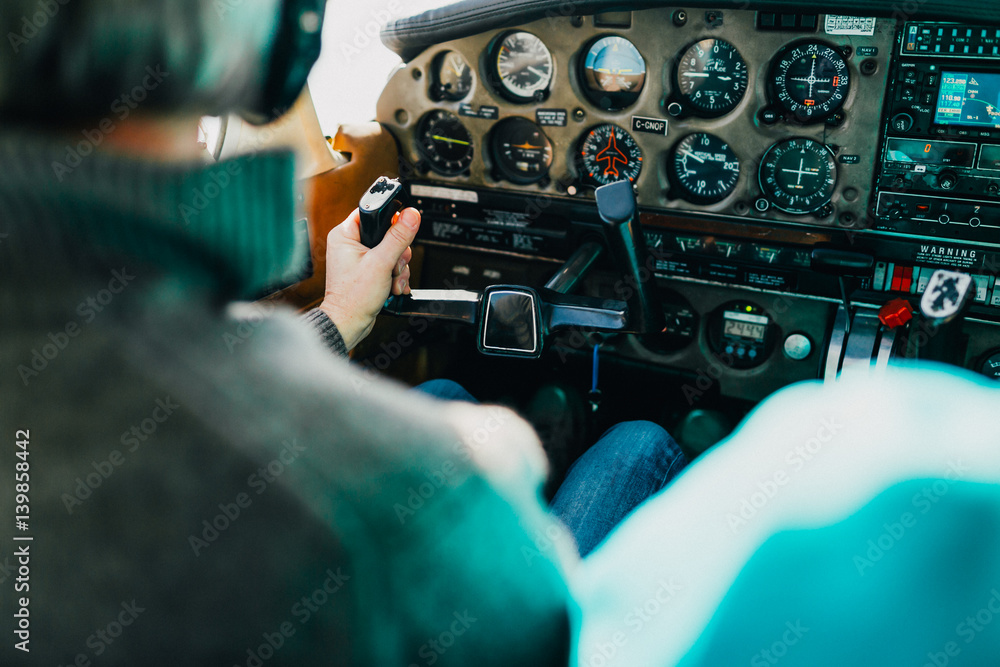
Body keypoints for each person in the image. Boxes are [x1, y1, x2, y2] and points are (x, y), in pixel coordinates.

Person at [0, 1, 685, 664]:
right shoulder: (382, 504)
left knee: (443, 387)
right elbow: (533, 617)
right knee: (638, 444)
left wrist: (335, 320)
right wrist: (488, 478)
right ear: (273, 37)